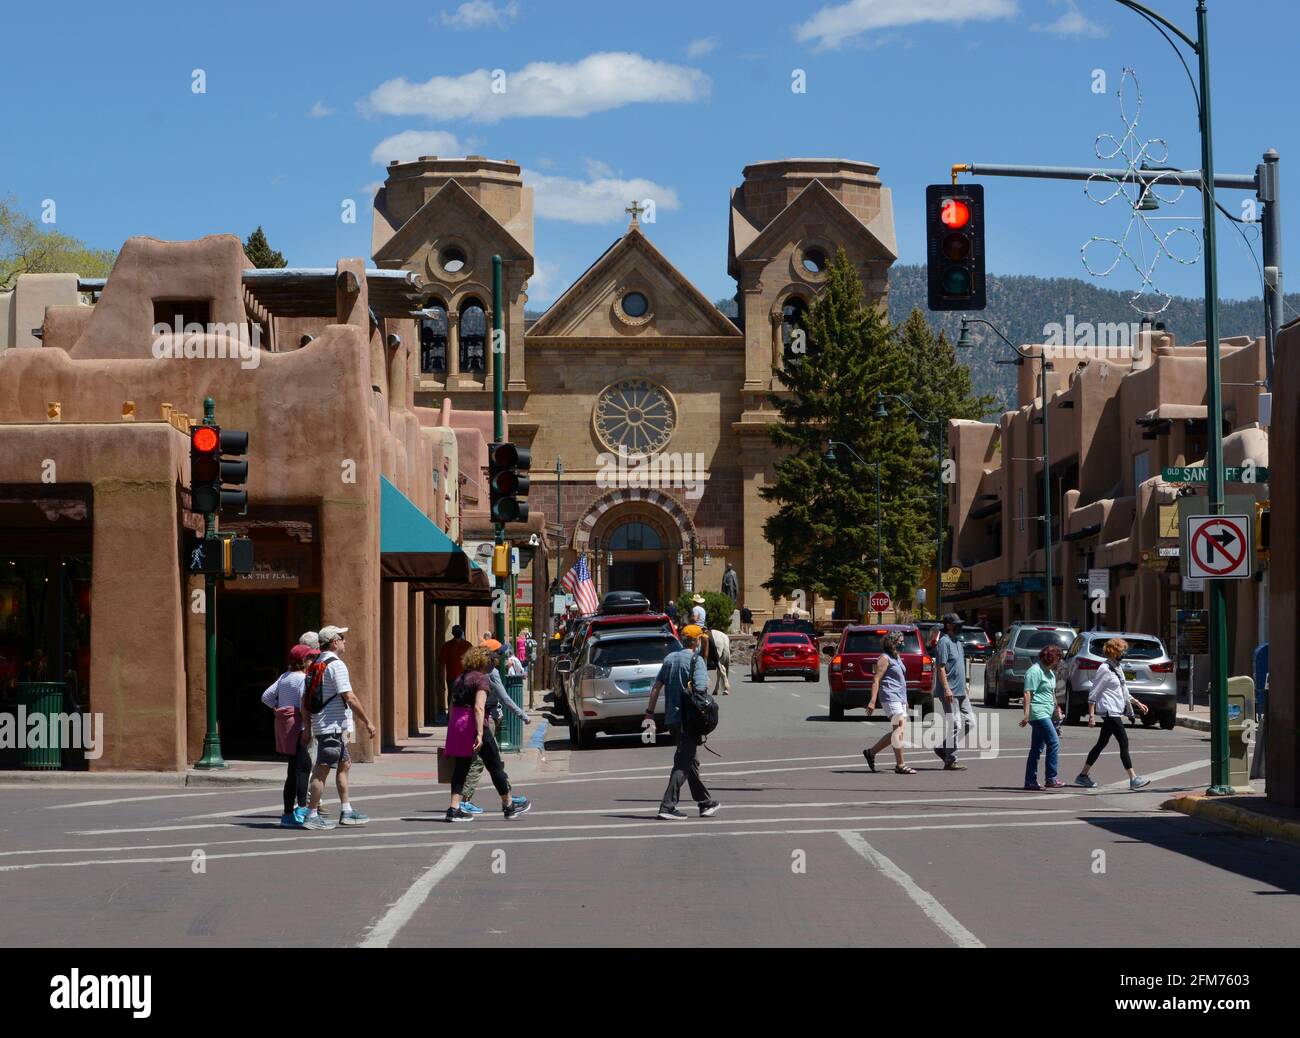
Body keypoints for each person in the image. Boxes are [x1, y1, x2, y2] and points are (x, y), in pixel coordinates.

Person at [303, 625, 377, 830]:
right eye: (342, 638)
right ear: (334, 642)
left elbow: (304, 700)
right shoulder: (336, 665)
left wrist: (308, 727)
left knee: (345, 765)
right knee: (321, 771)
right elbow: (350, 697)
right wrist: (367, 721)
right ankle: (311, 814)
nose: (345, 641)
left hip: (331, 726)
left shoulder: (316, 664)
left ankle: (346, 810)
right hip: (332, 727)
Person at [445, 647, 531, 822]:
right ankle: (508, 806)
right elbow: (478, 707)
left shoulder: (459, 679)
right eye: (490, 663)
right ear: (483, 663)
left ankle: (453, 809)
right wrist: (478, 733)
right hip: (474, 726)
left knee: (461, 766)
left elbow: (452, 707)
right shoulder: (481, 680)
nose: (491, 666)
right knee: (494, 765)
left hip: (457, 725)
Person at [645, 624, 719, 820]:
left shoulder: (669, 659)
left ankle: (705, 803)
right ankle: (667, 806)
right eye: (700, 639)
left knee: (690, 761)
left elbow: (656, 688)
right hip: (690, 720)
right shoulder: (697, 661)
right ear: (696, 641)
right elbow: (701, 690)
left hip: (672, 720)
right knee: (682, 763)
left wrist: (649, 713)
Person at [1076, 637, 1151, 790]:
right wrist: (1091, 715)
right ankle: (1133, 779)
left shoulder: (1116, 667)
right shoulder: (1104, 669)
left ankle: (1083, 775)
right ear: (1113, 651)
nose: (1124, 653)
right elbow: (1093, 693)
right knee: (1124, 742)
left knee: (1101, 744)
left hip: (1116, 710)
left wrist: (1137, 703)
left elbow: (1123, 690)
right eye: (1122, 650)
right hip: (1109, 711)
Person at [261, 644, 316, 828]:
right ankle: (299, 810)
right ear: (303, 661)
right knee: (299, 769)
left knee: (297, 766)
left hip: (285, 727)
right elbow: (303, 703)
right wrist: (307, 728)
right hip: (299, 726)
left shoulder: (284, 677)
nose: (312, 661)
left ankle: (289, 813)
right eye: (310, 658)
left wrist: (280, 708)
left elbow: (266, 697)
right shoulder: (302, 679)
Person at [863, 633, 915, 775]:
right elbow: (876, 680)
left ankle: (871, 752)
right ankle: (900, 765)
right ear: (893, 642)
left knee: (899, 731)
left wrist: (905, 700)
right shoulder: (884, 658)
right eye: (900, 641)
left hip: (900, 698)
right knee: (898, 730)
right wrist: (872, 701)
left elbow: (900, 680)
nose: (903, 643)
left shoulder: (897, 657)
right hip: (890, 697)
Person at [1021, 644, 1065, 790]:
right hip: (1038, 713)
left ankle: (1030, 781)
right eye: (1057, 658)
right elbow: (1028, 693)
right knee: (1054, 742)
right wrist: (1026, 715)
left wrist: (1056, 708)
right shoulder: (1034, 671)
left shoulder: (1049, 672)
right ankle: (1051, 778)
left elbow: (1051, 693)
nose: (1058, 662)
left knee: (1036, 748)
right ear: (1050, 658)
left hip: (1047, 712)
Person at [931, 614, 969, 770]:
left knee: (970, 722)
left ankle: (943, 748)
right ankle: (951, 759)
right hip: (949, 691)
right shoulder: (944, 642)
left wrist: (966, 684)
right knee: (956, 724)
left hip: (961, 690)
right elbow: (940, 667)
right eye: (955, 624)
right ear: (948, 625)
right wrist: (946, 688)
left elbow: (959, 666)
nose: (959, 626)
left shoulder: (958, 642)